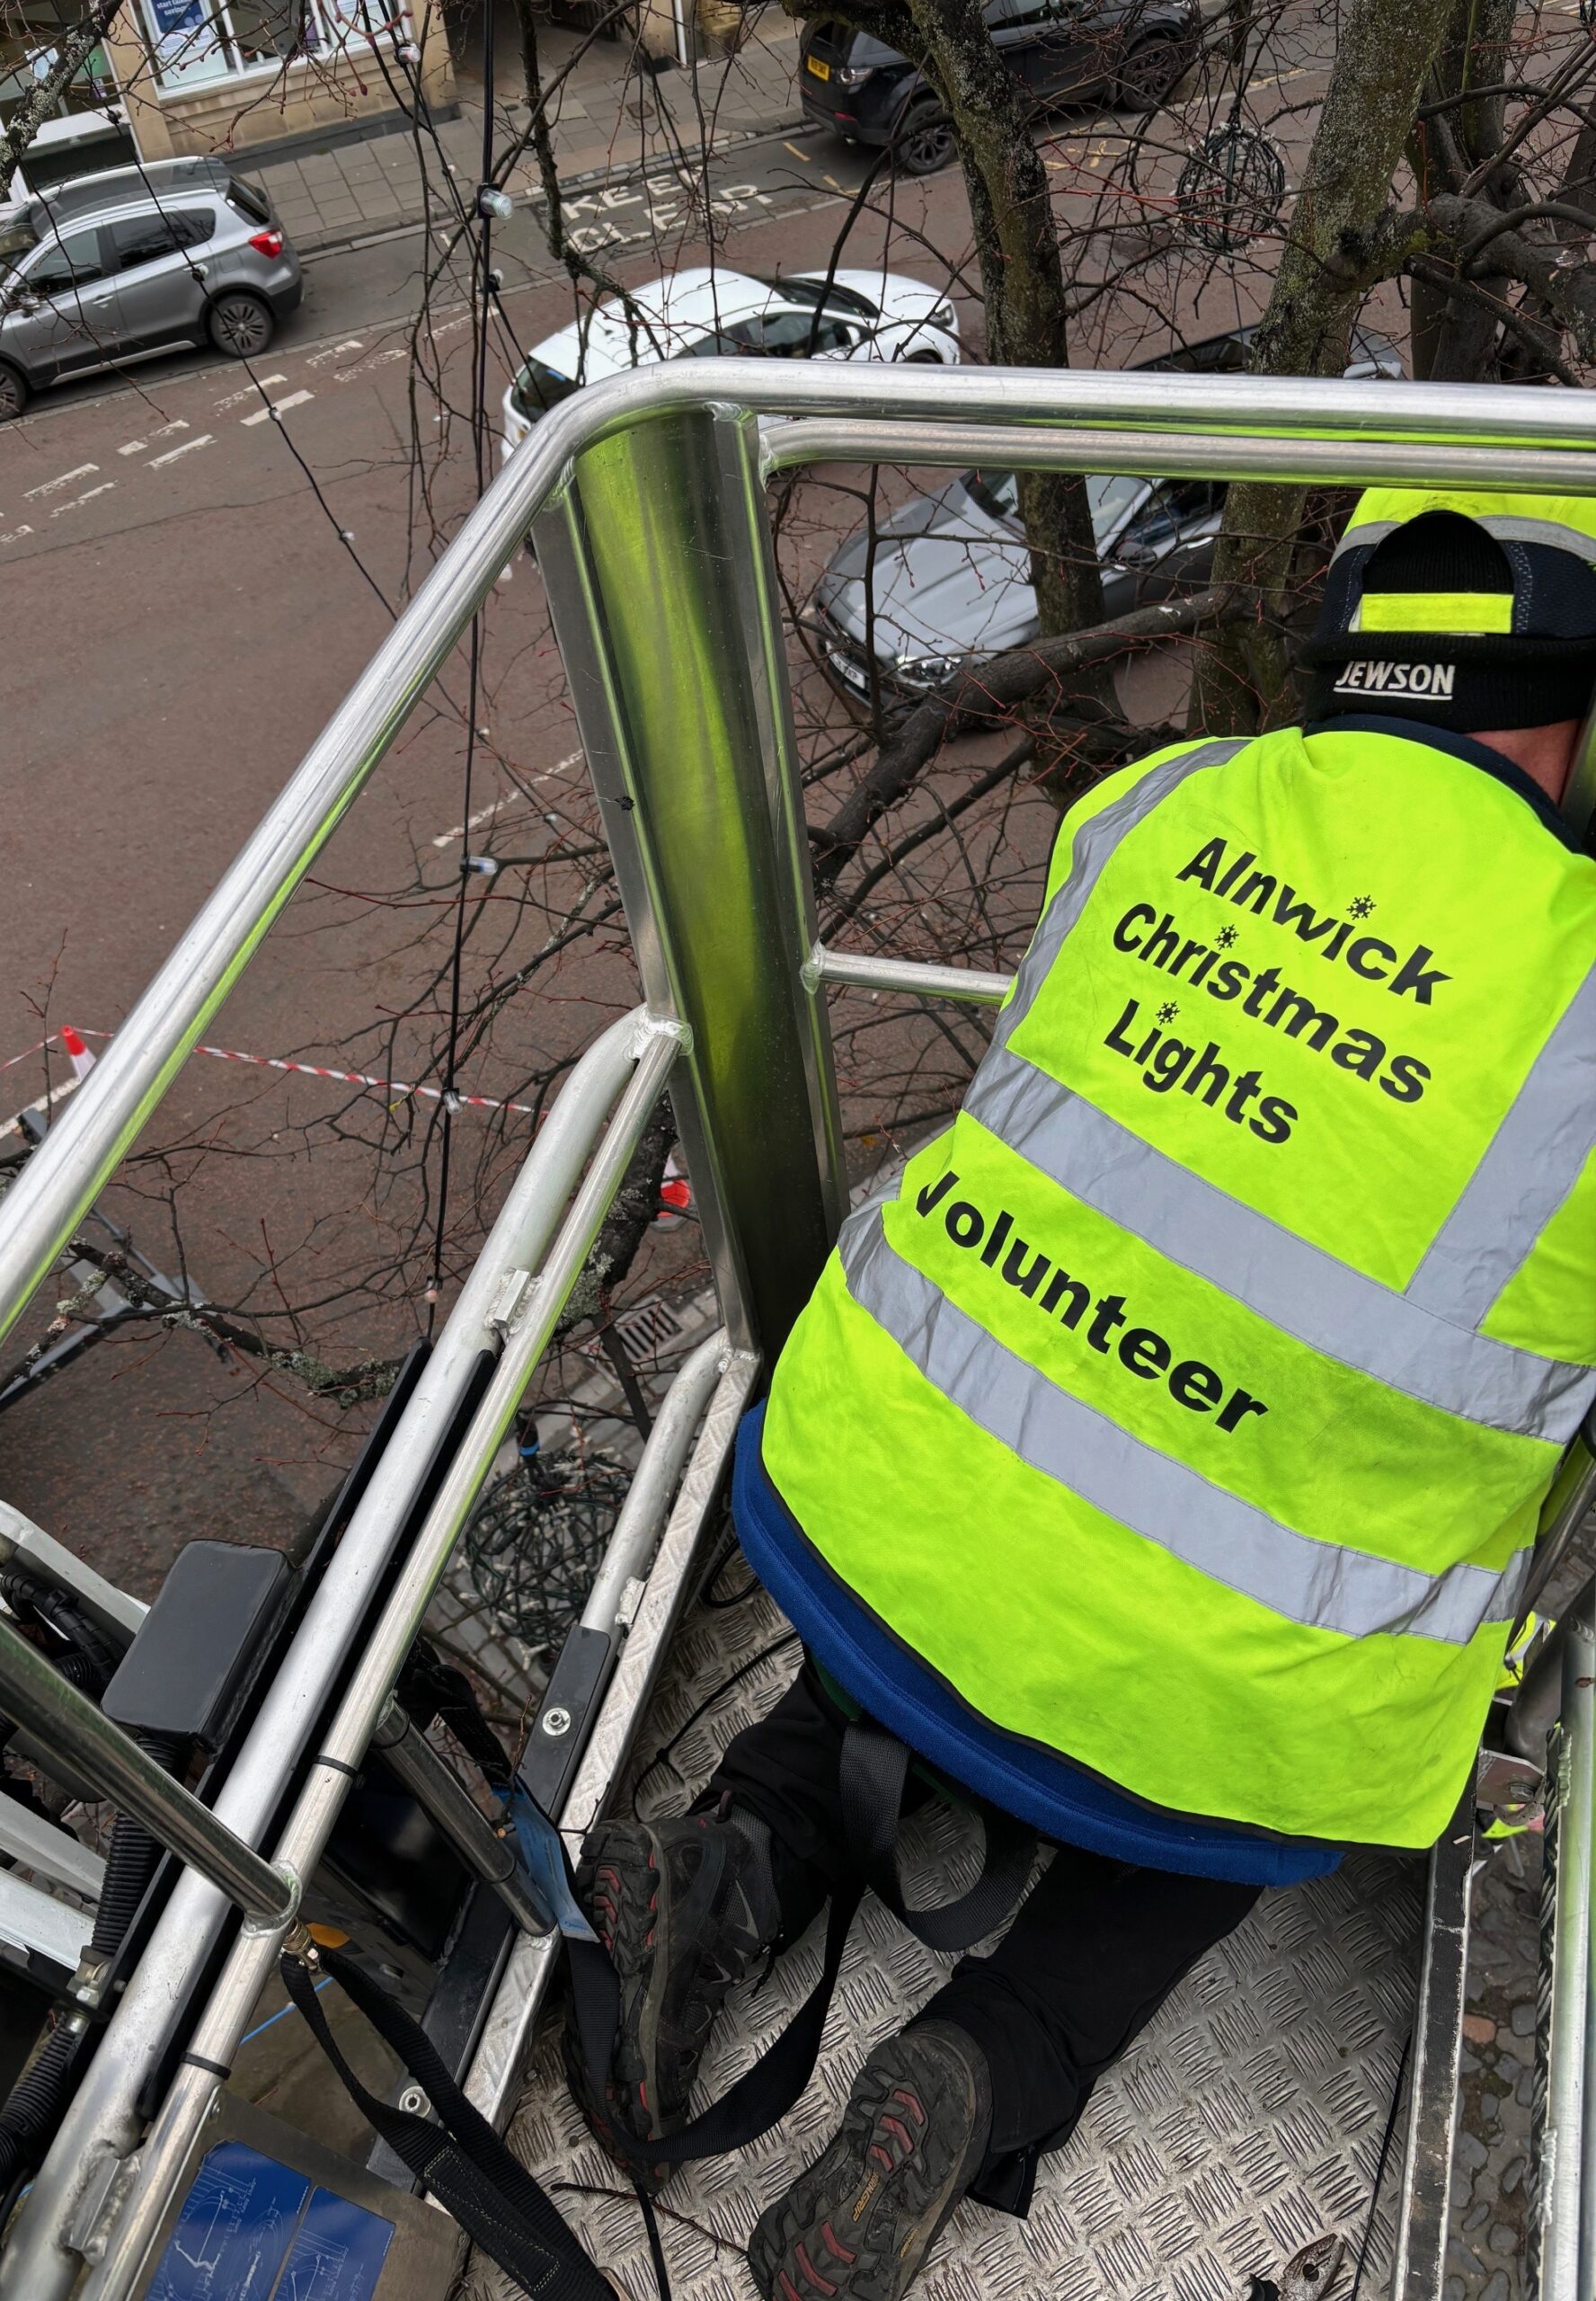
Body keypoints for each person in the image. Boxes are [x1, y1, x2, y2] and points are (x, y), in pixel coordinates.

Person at [572, 489, 1596, 2300]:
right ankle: (983, 2064)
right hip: (1205, 1710)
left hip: (855, 1524)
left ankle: (734, 1849)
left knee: (990, 1512)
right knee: (1222, 1810)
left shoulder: (1146, 812)